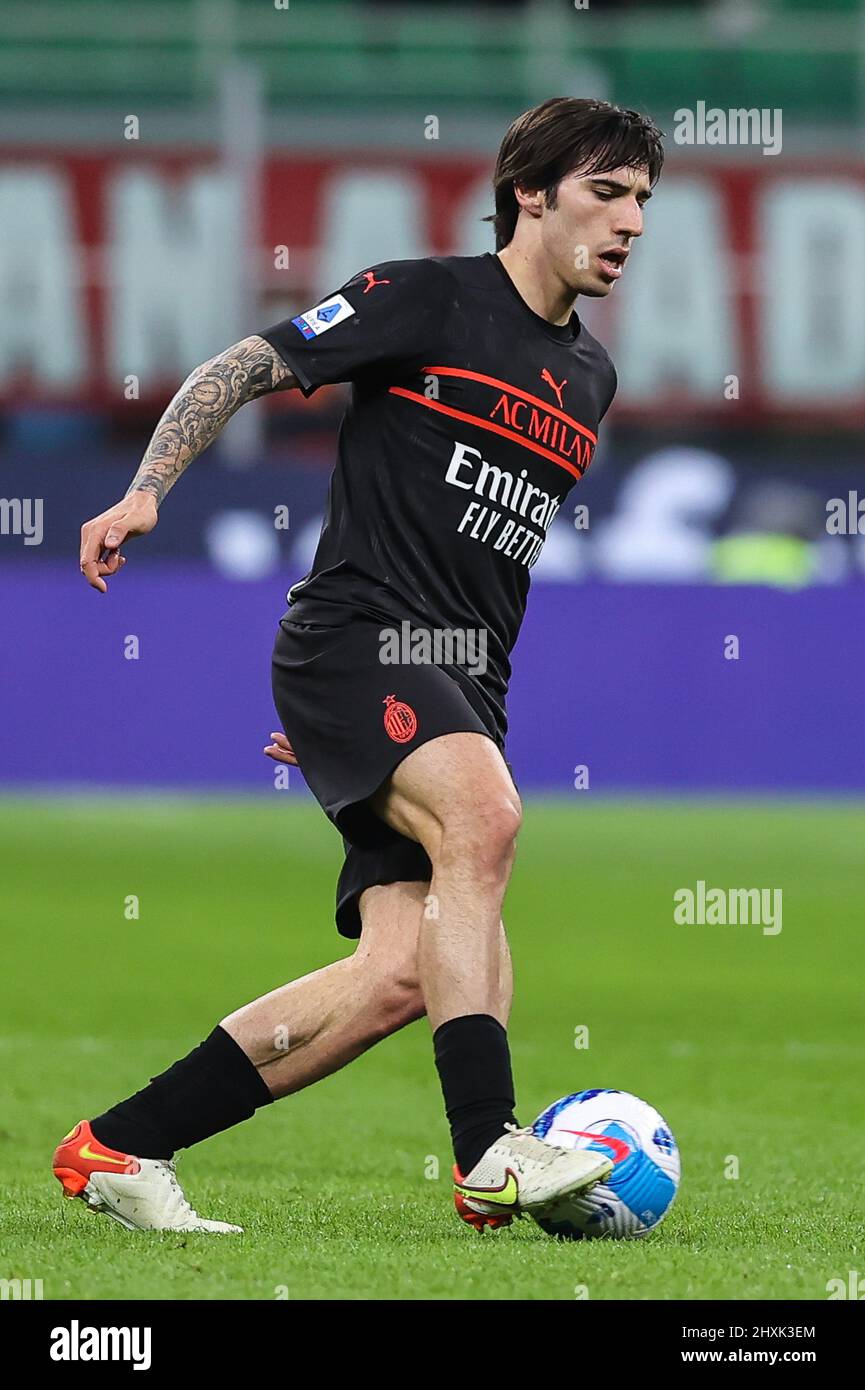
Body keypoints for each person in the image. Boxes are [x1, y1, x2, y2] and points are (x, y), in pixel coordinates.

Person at [58, 97, 664, 1233]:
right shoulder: (427, 295)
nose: (630, 219)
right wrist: (147, 487)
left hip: (447, 680)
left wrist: (395, 740)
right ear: (528, 193)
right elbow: (247, 363)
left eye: (642, 199)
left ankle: (119, 1145)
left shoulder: (589, 378)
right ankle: (490, 1151)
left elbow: (491, 567)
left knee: (395, 974)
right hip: (353, 632)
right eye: (606, 191)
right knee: (486, 823)